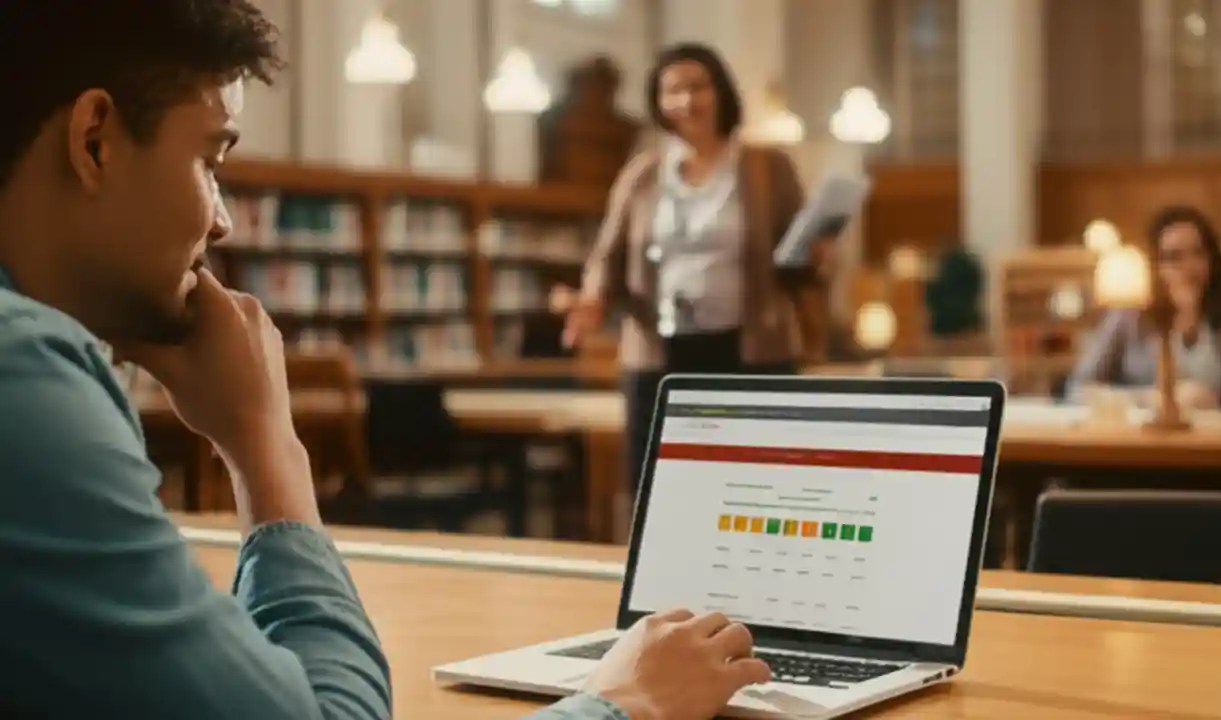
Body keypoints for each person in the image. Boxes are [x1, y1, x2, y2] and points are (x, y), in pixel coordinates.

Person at [0, 2, 767, 718]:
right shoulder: (25, 377)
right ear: (94, 139)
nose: (225, 221)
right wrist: (265, 443)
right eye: (212, 160)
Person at [563, 43, 834, 492]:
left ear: (721, 92)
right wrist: (590, 300)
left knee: (757, 487)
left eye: (697, 86)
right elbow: (605, 259)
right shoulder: (642, 174)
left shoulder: (770, 168)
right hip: (660, 354)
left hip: (750, 353)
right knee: (660, 488)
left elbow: (798, 264)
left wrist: (817, 255)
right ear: (657, 103)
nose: (687, 101)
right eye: (672, 90)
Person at [1069, 205, 1221, 410]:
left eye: (1198, 253)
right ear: (1154, 265)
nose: (1190, 267)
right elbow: (1077, 390)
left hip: (1220, 436)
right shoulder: (1129, 315)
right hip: (1146, 435)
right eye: (1174, 257)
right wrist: (1153, 399)